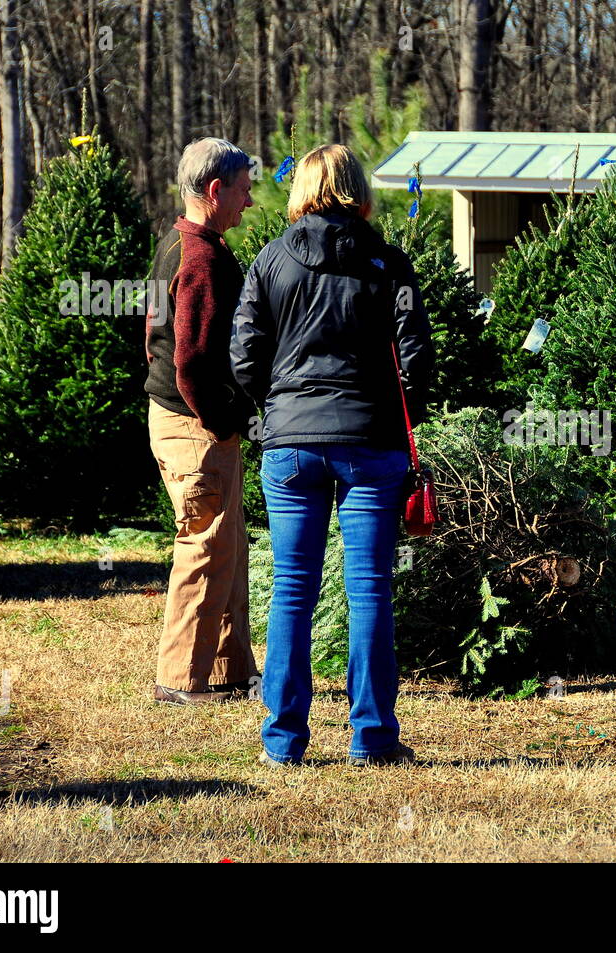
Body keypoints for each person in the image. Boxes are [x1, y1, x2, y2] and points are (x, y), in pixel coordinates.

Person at [231, 145, 432, 767]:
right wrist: (401, 416)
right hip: (372, 443)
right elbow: (417, 358)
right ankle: (372, 738)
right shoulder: (387, 263)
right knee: (369, 589)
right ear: (358, 189)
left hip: (291, 443)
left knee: (293, 589)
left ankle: (284, 740)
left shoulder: (271, 259)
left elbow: (243, 356)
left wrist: (277, 404)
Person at [145, 137, 260, 705]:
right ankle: (181, 681)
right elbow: (189, 361)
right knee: (203, 544)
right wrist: (220, 421)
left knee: (226, 544)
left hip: (178, 418)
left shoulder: (176, 242)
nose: (250, 202)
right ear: (215, 191)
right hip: (195, 425)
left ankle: (228, 671)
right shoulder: (201, 258)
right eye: (243, 190)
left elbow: (153, 339)